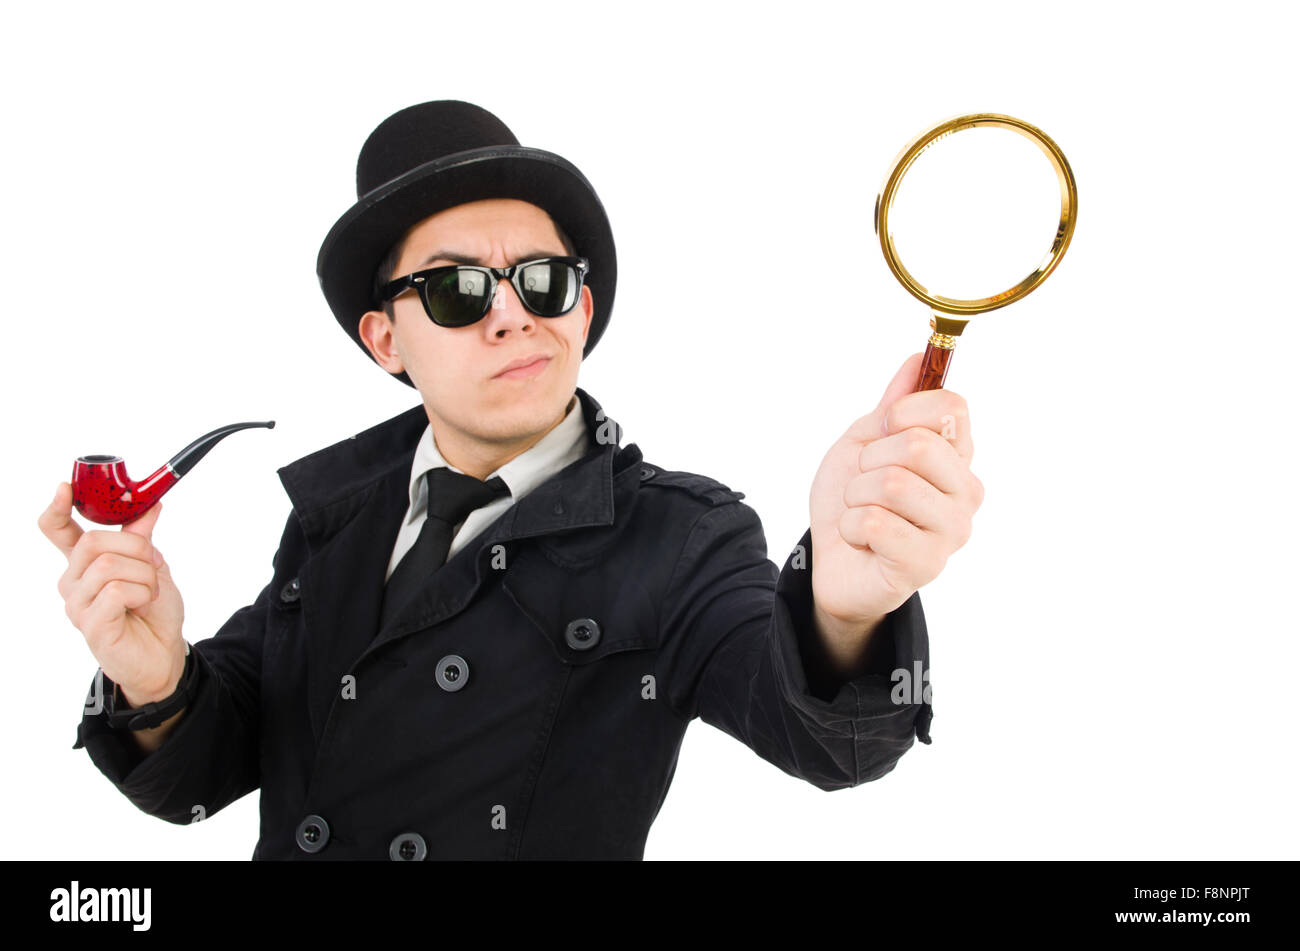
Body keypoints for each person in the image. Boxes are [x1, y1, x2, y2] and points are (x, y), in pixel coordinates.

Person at [39, 100, 984, 860]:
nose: (510, 318)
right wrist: (155, 678)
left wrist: (846, 608)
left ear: (579, 308)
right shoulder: (330, 524)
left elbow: (825, 739)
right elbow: (204, 774)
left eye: (542, 281)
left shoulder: (681, 537)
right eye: (455, 291)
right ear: (385, 341)